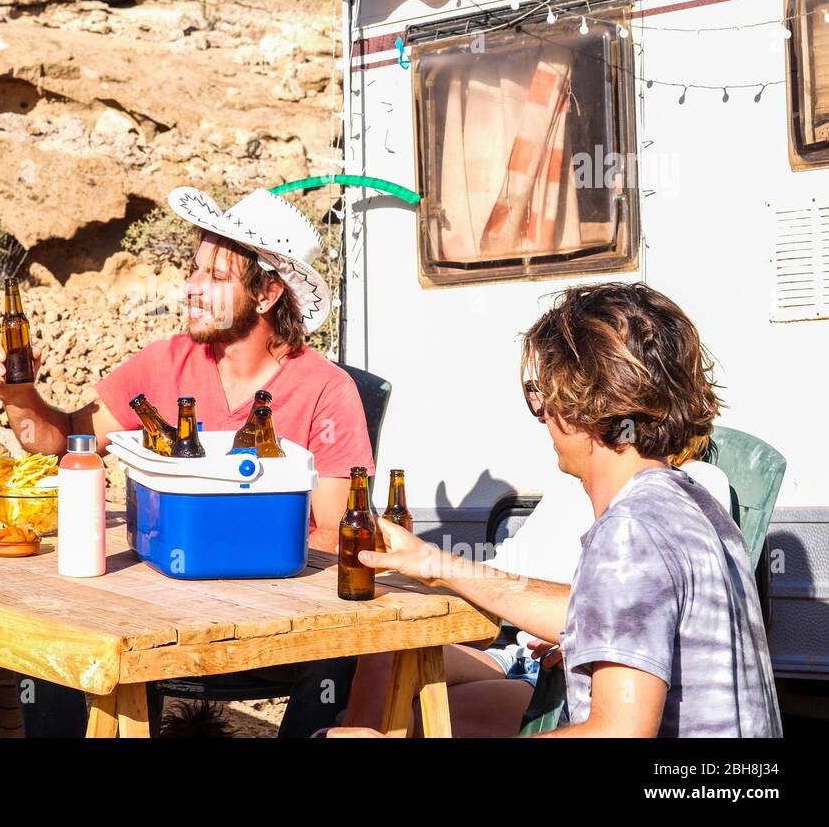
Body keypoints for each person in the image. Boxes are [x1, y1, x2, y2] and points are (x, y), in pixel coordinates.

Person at [0, 186, 374, 736]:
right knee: (54, 632)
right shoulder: (166, 363)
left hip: (274, 629)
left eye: (215, 276)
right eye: (194, 270)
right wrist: (19, 397)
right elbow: (66, 439)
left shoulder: (328, 390)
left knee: (341, 651)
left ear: (266, 295)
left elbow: (336, 535)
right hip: (157, 613)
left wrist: (234, 554)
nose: (191, 288)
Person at [332, 282, 781, 737]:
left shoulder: (632, 530)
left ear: (584, 404)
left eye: (544, 395)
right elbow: (589, 609)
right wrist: (432, 562)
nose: (543, 415)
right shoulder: (689, 502)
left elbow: (617, 734)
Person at [342, 439, 732, 736]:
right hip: (510, 652)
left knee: (408, 723)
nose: (547, 416)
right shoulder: (581, 481)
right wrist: (421, 568)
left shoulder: (683, 489)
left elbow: (644, 618)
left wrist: (584, 641)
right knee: (384, 657)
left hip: (558, 679)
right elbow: (505, 570)